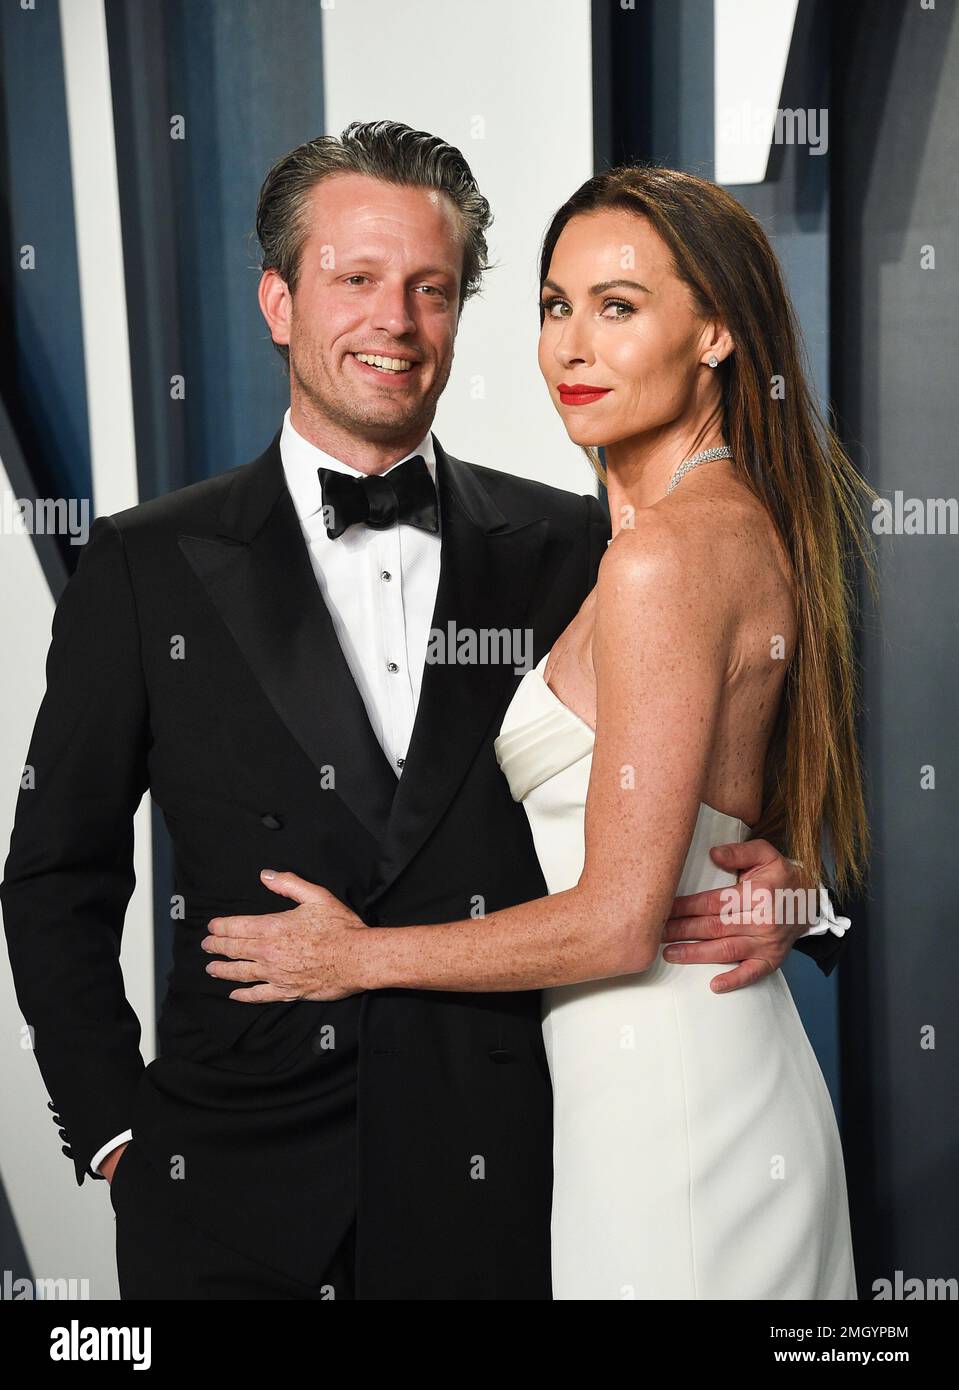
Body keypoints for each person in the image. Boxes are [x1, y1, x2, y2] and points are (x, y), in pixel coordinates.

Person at [2, 124, 847, 1302]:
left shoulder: (582, 546)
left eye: (430, 288)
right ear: (278, 300)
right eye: (354, 279)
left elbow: (726, 788)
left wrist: (794, 895)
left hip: (508, 1192)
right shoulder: (145, 567)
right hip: (225, 1201)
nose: (393, 321)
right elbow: (56, 873)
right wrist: (113, 1135)